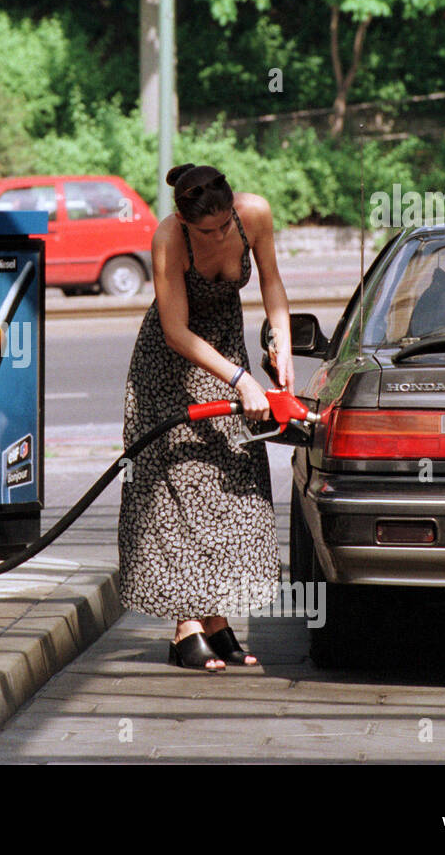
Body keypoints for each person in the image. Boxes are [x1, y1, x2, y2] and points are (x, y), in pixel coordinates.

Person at [118, 163, 294, 671]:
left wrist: (280, 346)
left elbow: (273, 286)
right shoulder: (169, 238)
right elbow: (175, 330)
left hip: (231, 355)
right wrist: (240, 379)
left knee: (231, 482)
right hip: (171, 368)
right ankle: (185, 627)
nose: (217, 235)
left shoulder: (254, 214)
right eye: (206, 231)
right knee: (183, 488)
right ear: (183, 219)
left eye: (222, 226)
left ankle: (216, 620)